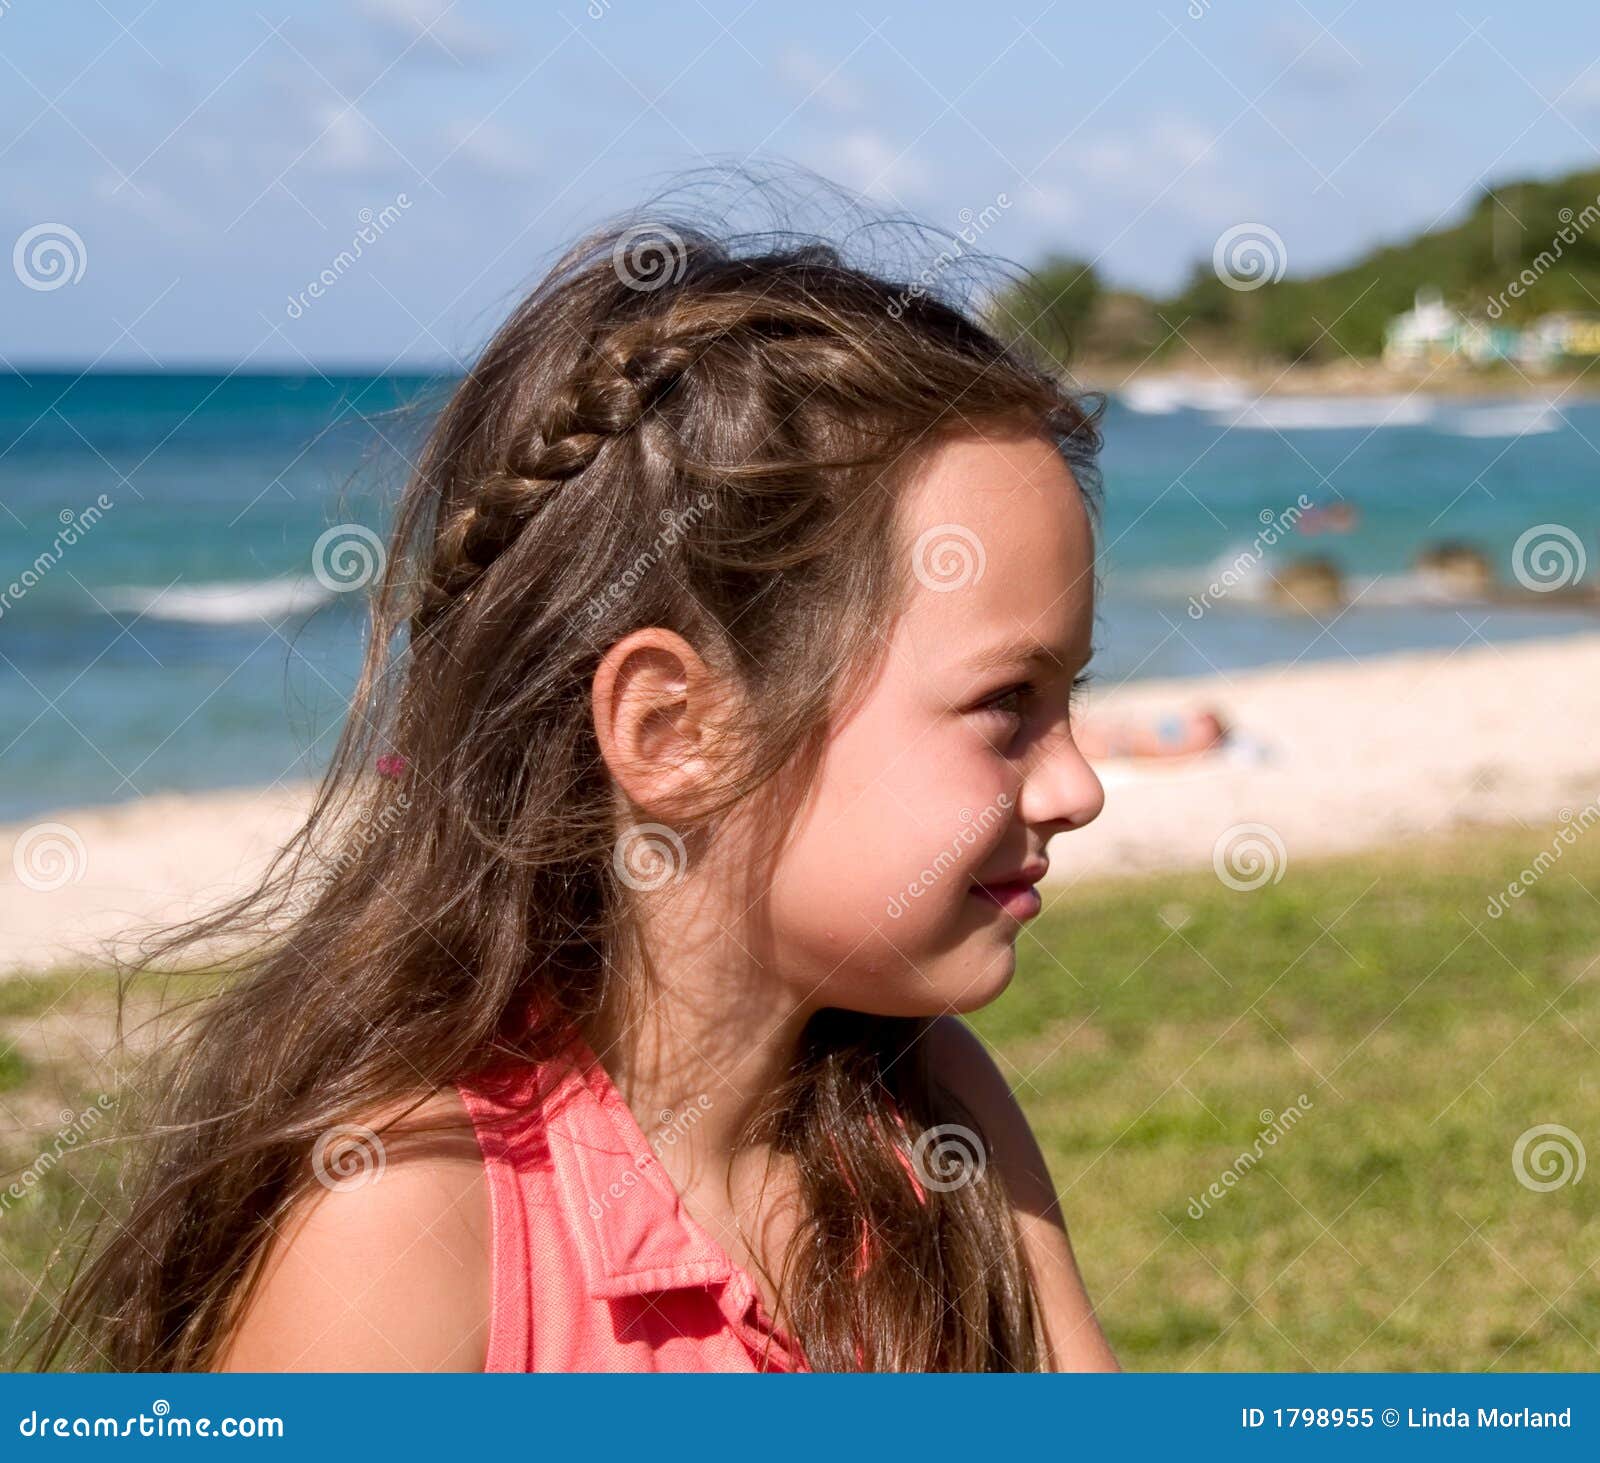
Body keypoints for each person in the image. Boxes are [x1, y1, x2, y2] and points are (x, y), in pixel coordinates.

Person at [35, 204, 1120, 1375]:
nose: (1077, 784)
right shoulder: (409, 1230)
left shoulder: (935, 1115)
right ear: (672, 729)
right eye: (1008, 704)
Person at [1077, 707, 1229, 760]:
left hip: (1122, 746)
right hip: (1121, 739)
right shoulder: (1189, 729)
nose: (1201, 716)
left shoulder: (1202, 737)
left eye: (1206, 719)